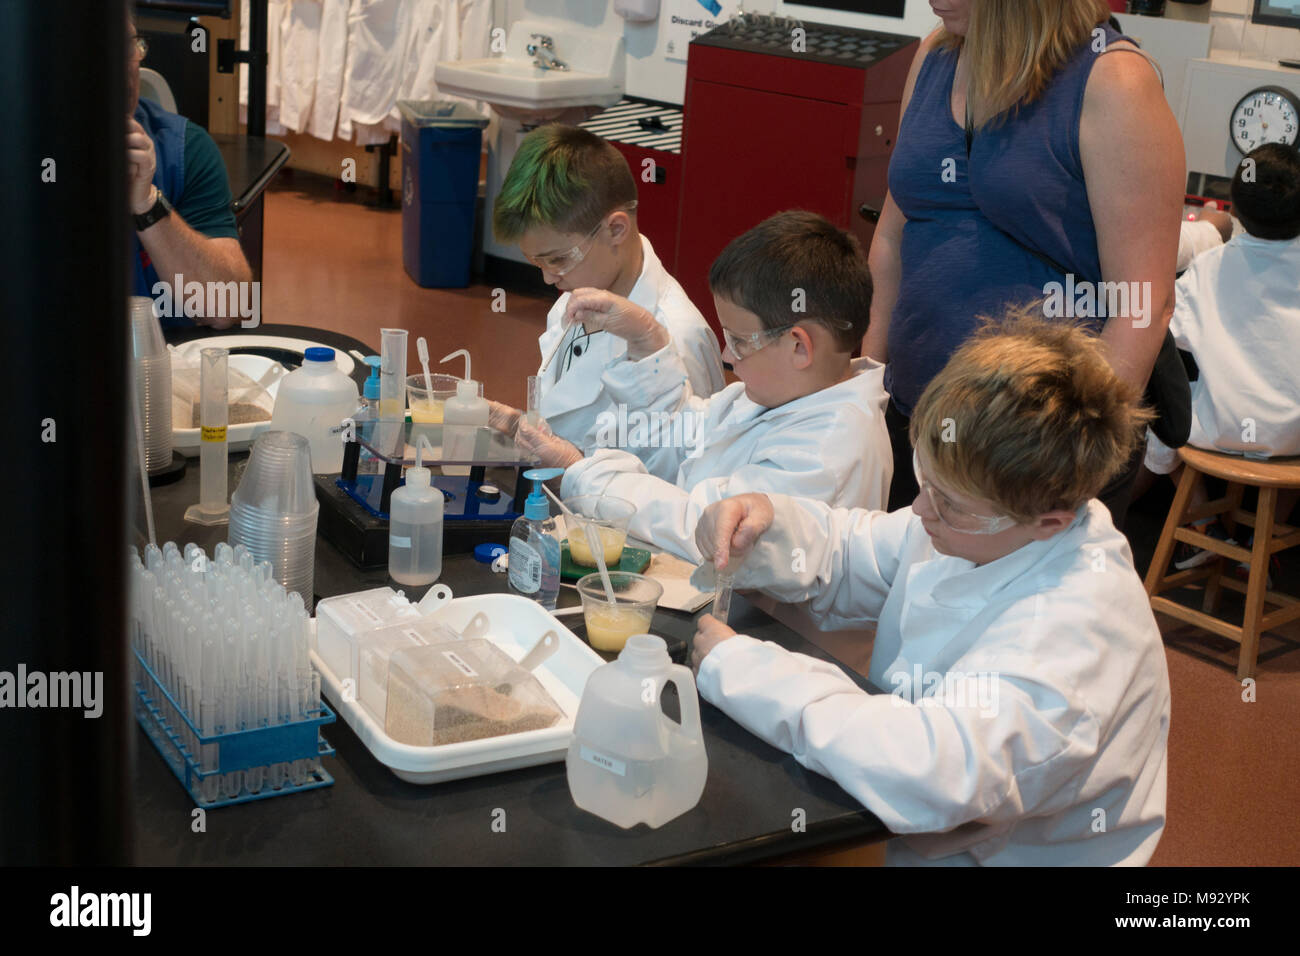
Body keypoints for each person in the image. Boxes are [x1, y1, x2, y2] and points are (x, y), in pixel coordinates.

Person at [689, 309, 1170, 866]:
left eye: (949, 502)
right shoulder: (994, 522)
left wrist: (747, 672)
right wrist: (766, 520)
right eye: (924, 478)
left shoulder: (1071, 637)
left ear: (1051, 520)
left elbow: (934, 770)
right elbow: (858, 550)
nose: (920, 508)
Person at [864, 0, 1183, 528]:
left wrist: (1072, 457)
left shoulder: (1113, 80)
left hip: (1034, 448)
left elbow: (1144, 304)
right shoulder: (934, 56)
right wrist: (869, 387)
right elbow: (893, 236)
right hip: (917, 416)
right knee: (908, 602)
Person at [515, 211, 891, 563]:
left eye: (740, 340)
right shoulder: (779, 394)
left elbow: (702, 524)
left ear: (798, 346)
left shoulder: (828, 451)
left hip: (765, 624)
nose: (728, 355)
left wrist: (578, 470)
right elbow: (686, 435)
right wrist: (647, 341)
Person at [489, 125, 725, 468]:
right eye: (535, 261)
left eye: (557, 259)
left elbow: (679, 488)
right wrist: (519, 429)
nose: (547, 276)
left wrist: (573, 468)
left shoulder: (679, 340)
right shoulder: (580, 292)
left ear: (616, 229)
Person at [1142, 144, 1300, 566]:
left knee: (1163, 408)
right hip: (1295, 436)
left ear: (1234, 207)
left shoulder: (1209, 268)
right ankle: (1261, 547)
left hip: (1217, 429)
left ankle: (1201, 525)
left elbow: (1165, 336)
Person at [128, 17, 251, 329]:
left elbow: (227, 306)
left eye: (128, 47)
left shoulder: (183, 149)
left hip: (161, 365)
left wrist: (147, 204)